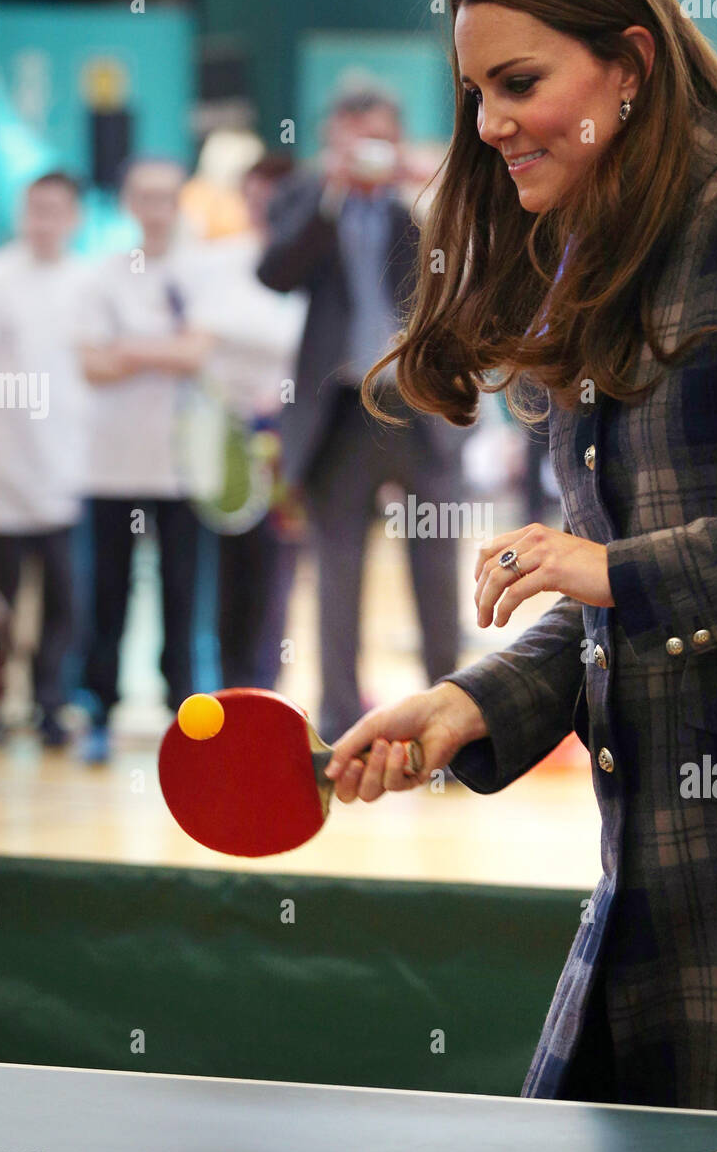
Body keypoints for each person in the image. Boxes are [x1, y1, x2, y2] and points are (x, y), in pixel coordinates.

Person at [321, 0, 717, 1152]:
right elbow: (612, 592)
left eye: (519, 83)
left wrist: (620, 571)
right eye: (473, 93)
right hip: (650, 875)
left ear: (628, 66)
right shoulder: (593, 259)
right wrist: (473, 706)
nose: (486, 125)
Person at [257, 79, 468, 743]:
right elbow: (274, 273)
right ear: (331, 142)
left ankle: (449, 714)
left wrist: (418, 188)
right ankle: (339, 719)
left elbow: (466, 265)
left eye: (381, 139)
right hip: (337, 413)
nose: (370, 153)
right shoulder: (308, 197)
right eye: (357, 141)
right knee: (338, 571)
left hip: (418, 406)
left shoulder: (426, 201)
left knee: (435, 569)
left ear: (398, 139)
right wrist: (334, 196)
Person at [75, 157, 213, 762]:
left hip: (183, 466)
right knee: (108, 592)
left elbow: (198, 355)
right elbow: (92, 366)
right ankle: (98, 707)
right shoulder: (104, 275)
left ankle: (181, 710)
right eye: (145, 196)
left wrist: (128, 346)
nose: (156, 208)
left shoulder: (201, 273)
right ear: (130, 203)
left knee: (182, 595)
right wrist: (163, 350)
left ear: (179, 201)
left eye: (166, 196)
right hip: (112, 466)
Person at [183, 153, 310, 687]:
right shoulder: (218, 262)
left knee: (276, 571)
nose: (263, 208)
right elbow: (199, 340)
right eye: (253, 196)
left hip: (287, 440)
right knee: (225, 570)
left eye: (274, 198)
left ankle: (264, 690)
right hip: (222, 435)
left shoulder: (312, 265)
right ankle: (226, 688)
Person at [0, 171, 89, 746]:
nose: (42, 221)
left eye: (55, 210)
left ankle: (53, 702)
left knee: (63, 602)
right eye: (34, 209)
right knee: (3, 606)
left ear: (73, 217)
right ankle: (1, 701)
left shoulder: (86, 284)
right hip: (2, 474)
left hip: (68, 471)